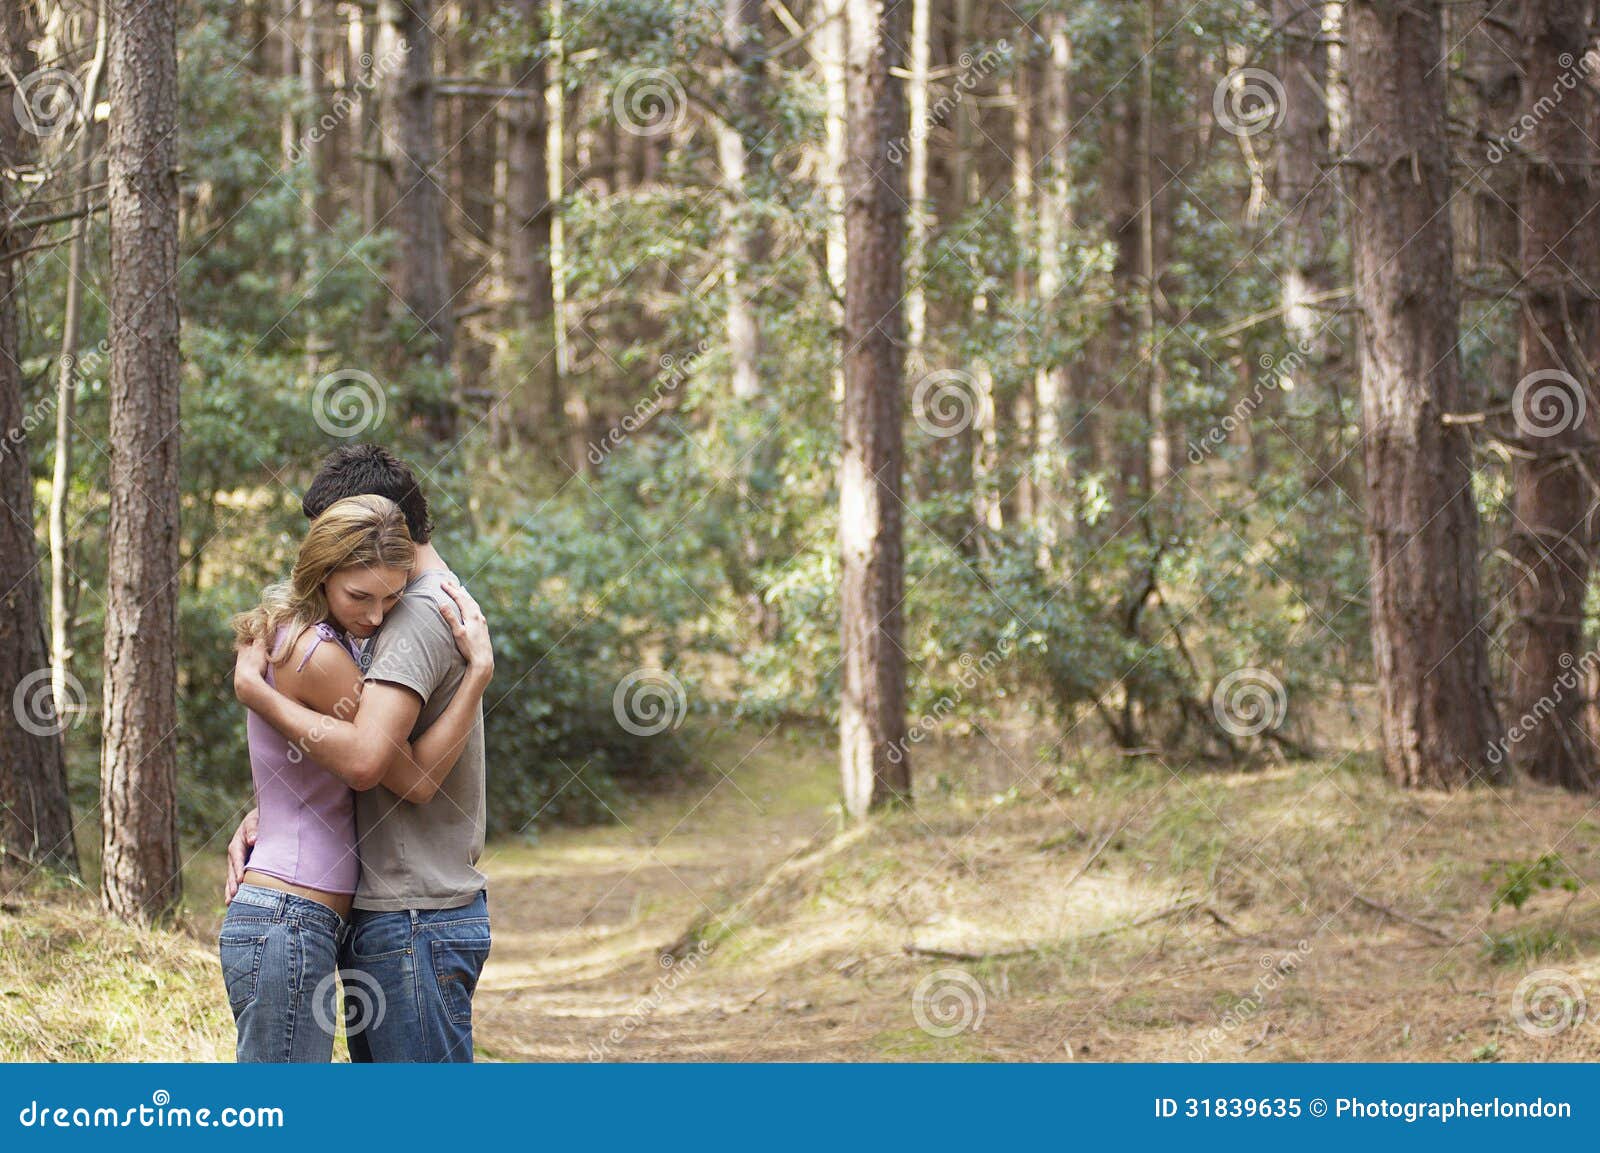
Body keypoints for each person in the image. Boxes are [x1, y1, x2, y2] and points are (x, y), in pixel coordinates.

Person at [227, 445, 494, 1063]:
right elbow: (338, 757)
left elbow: (377, 763)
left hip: (412, 916)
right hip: (366, 913)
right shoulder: (384, 618)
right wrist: (273, 809)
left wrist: (255, 695)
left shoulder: (416, 616)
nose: (375, 609)